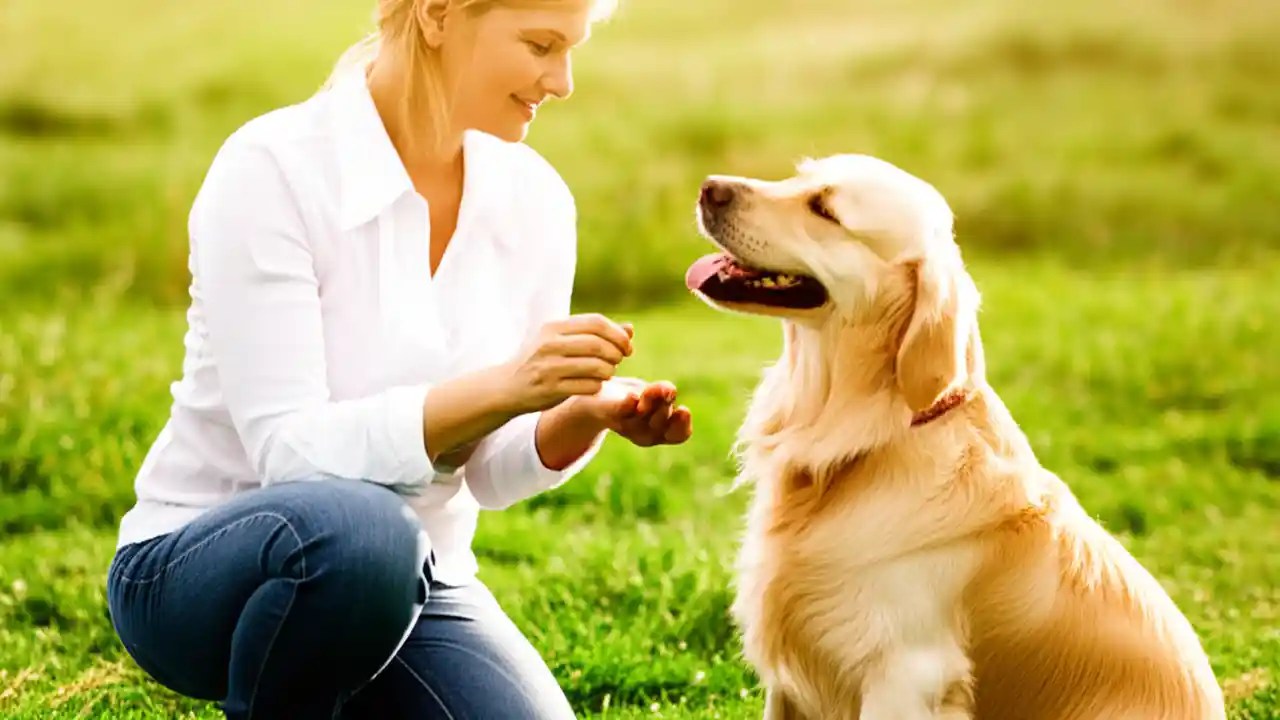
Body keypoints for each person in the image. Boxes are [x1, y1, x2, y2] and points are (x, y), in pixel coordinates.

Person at [104, 0, 692, 717]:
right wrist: (507, 383)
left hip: (423, 580)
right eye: (541, 45)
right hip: (202, 566)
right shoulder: (272, 170)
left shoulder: (536, 201)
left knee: (388, 556)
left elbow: (489, 472)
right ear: (438, 14)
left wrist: (575, 415)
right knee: (365, 539)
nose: (563, 81)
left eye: (572, 49)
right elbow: (289, 454)